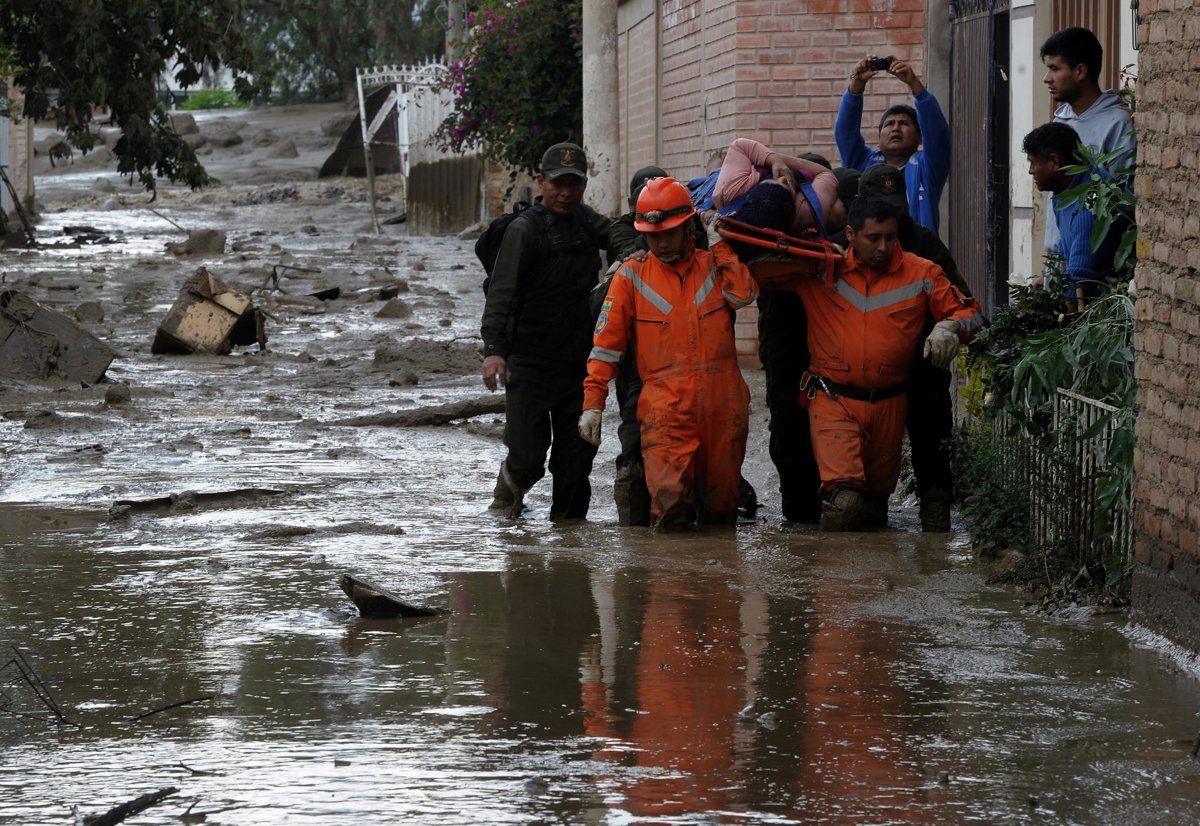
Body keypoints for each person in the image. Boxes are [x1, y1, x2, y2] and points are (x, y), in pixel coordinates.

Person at [753, 196, 983, 532]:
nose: (883, 247)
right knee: (844, 504)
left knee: (874, 512)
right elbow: (756, 272)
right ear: (850, 234)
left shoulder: (922, 273)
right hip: (833, 400)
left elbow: (972, 314)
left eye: (890, 237)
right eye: (873, 238)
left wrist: (949, 327)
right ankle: (832, 583)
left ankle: (868, 583)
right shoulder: (820, 268)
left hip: (890, 403)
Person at [578, 177, 758, 530]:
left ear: (687, 225)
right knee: (671, 510)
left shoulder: (713, 265)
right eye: (652, 235)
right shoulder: (631, 276)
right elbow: (606, 346)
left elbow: (743, 295)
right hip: (665, 408)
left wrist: (721, 245)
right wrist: (592, 404)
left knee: (721, 515)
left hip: (724, 407)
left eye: (668, 233)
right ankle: (672, 583)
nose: (660, 242)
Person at [831, 164, 971, 531]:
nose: (883, 244)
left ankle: (935, 513)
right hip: (859, 382)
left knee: (932, 443)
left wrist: (950, 326)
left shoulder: (924, 247)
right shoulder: (836, 250)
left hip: (922, 366)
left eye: (895, 210)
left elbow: (968, 308)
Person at [480, 141, 613, 519]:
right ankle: (507, 495)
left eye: (575, 184)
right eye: (558, 183)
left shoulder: (587, 221)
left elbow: (621, 233)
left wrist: (630, 255)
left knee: (575, 465)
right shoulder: (525, 230)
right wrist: (493, 351)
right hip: (530, 364)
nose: (567, 192)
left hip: (579, 366)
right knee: (527, 459)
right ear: (541, 181)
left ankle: (569, 551)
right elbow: (501, 293)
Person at [1040, 26, 1136, 252]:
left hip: (1091, 265)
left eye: (1055, 68)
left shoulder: (1117, 123)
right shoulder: (1060, 121)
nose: (1047, 78)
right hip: (1058, 264)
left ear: (1080, 72)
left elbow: (1119, 203)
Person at [834, 55, 950, 233]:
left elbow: (938, 134)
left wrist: (914, 84)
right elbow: (845, 133)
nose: (896, 128)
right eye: (889, 124)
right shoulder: (863, 164)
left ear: (920, 138)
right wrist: (856, 85)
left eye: (904, 124)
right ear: (879, 137)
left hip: (916, 257)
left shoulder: (927, 168)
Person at [1023, 122, 1125, 310]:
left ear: (1054, 162)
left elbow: (1079, 281)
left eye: (1033, 162)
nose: (1030, 171)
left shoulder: (1091, 202)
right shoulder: (1064, 191)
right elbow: (1066, 255)